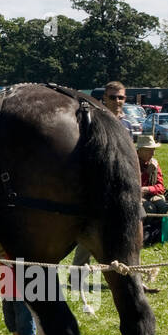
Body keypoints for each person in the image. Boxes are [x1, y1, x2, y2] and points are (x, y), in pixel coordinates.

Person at [71, 80, 128, 314]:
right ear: (104, 98)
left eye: (121, 97)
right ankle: (77, 274)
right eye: (113, 97)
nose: (117, 101)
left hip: (122, 185)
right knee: (91, 232)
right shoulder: (96, 118)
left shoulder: (127, 123)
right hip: (100, 186)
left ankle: (129, 273)